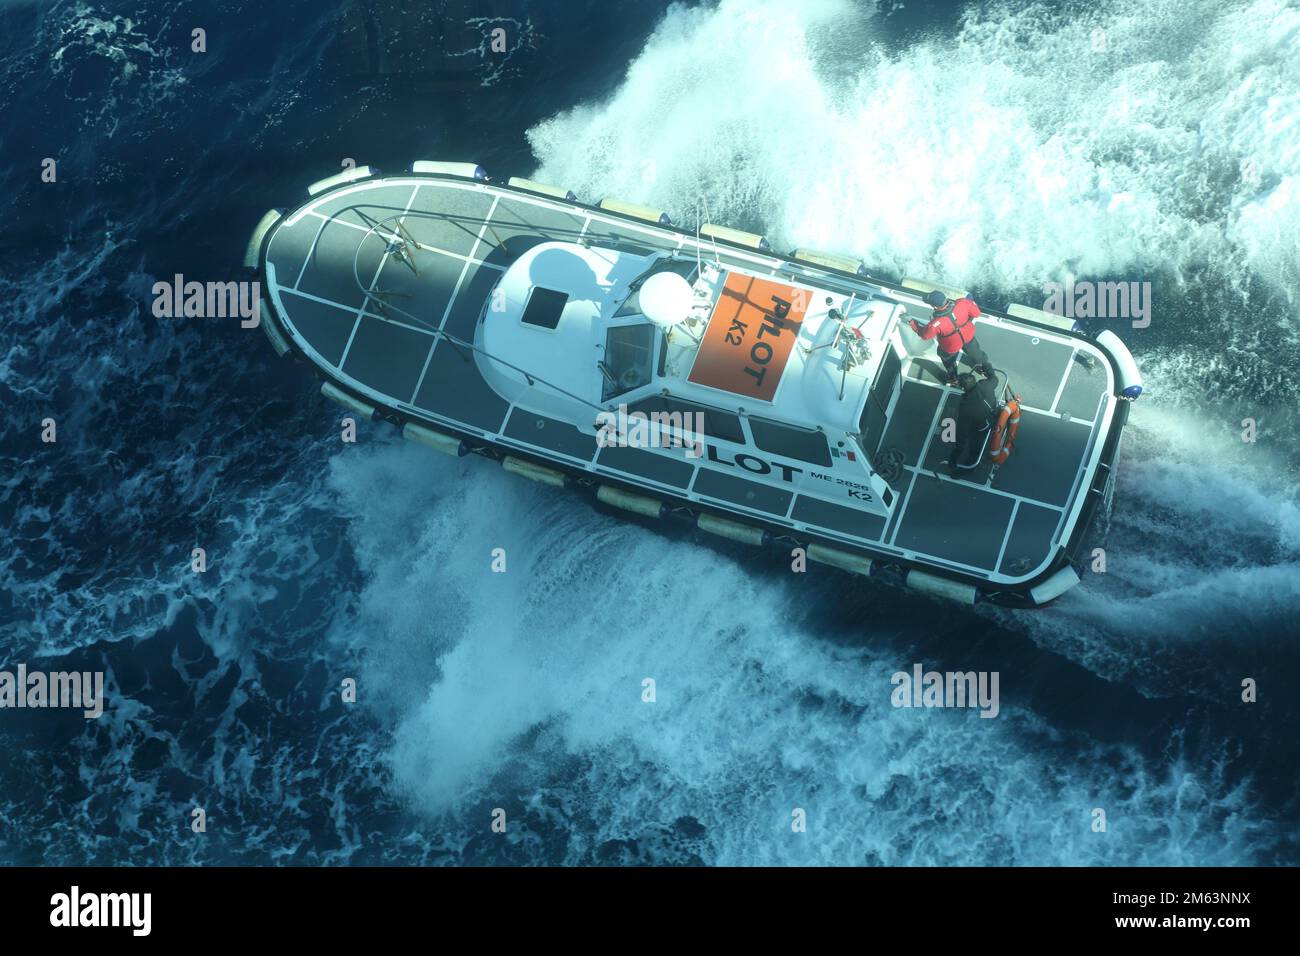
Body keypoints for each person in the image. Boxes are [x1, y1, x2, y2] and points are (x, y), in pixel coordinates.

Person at [909, 289, 991, 385]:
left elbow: (924, 335)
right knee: (977, 353)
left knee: (948, 360)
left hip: (951, 345)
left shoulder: (935, 324)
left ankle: (953, 379)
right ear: (946, 298)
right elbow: (976, 313)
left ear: (935, 306)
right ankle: (983, 368)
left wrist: (913, 324)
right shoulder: (963, 303)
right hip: (968, 335)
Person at [950, 370, 999, 471]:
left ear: (963, 388)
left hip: (983, 427)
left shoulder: (965, 408)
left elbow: (961, 432)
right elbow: (995, 379)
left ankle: (972, 461)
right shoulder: (985, 384)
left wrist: (956, 453)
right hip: (995, 413)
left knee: (974, 441)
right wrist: (987, 366)